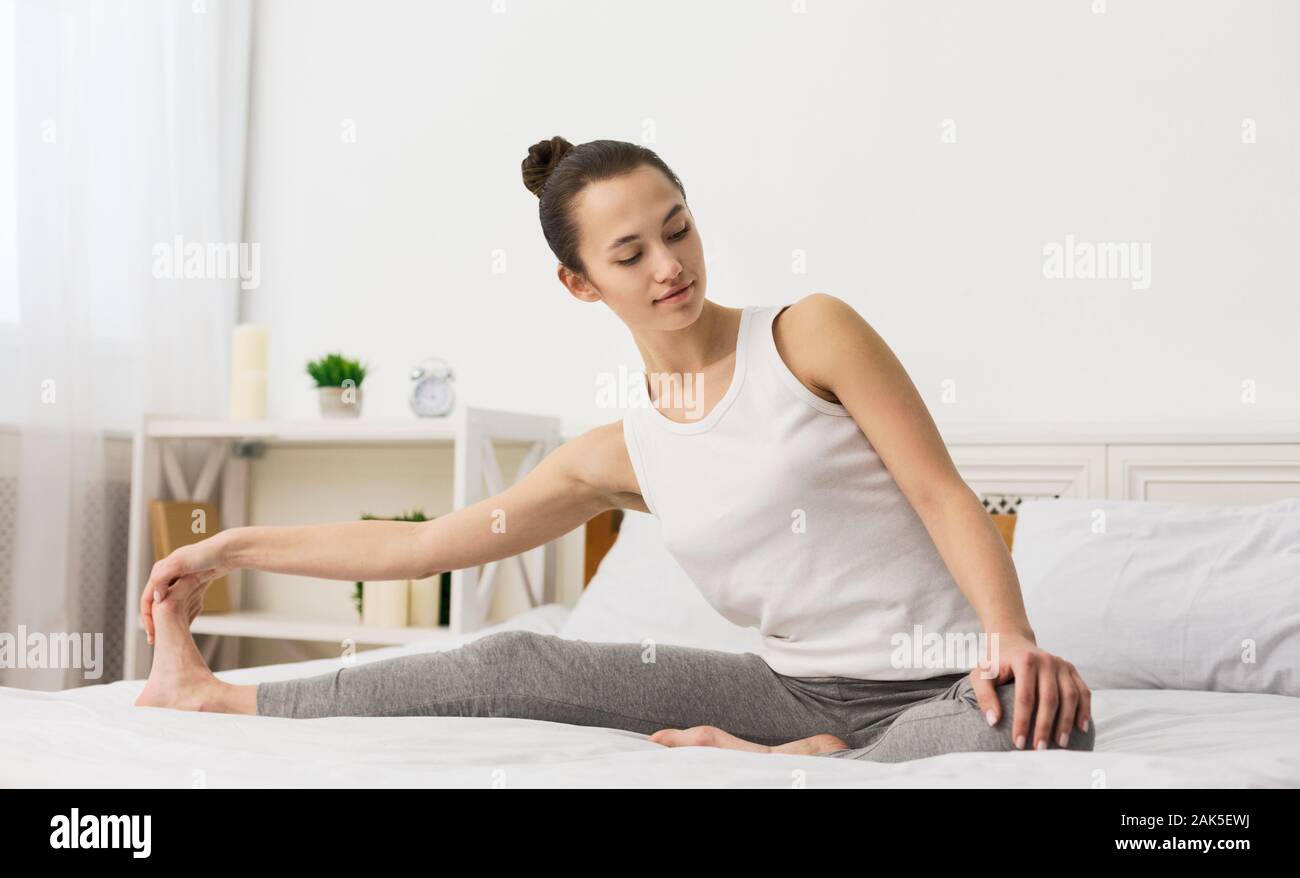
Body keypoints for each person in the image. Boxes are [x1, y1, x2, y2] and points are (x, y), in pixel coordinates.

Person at [135, 137, 1095, 762]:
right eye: (630, 254)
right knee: (513, 659)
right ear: (580, 283)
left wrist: (1009, 636)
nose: (670, 266)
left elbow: (941, 494)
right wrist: (230, 548)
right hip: (793, 695)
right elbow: (419, 547)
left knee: (1037, 725)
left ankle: (806, 769)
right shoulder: (617, 454)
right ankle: (216, 700)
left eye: (678, 230)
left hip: (955, 685)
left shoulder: (810, 335)